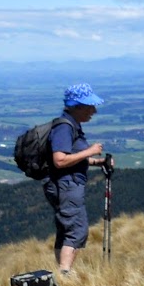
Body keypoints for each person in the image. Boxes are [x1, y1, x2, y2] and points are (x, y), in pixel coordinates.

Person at [46, 84, 106, 275]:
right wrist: (90, 151)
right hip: (67, 185)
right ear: (77, 106)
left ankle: (62, 272)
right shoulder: (65, 127)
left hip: (64, 183)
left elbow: (72, 158)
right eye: (90, 106)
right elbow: (60, 160)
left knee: (66, 230)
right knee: (77, 230)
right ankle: (64, 274)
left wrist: (96, 162)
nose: (93, 111)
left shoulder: (70, 125)